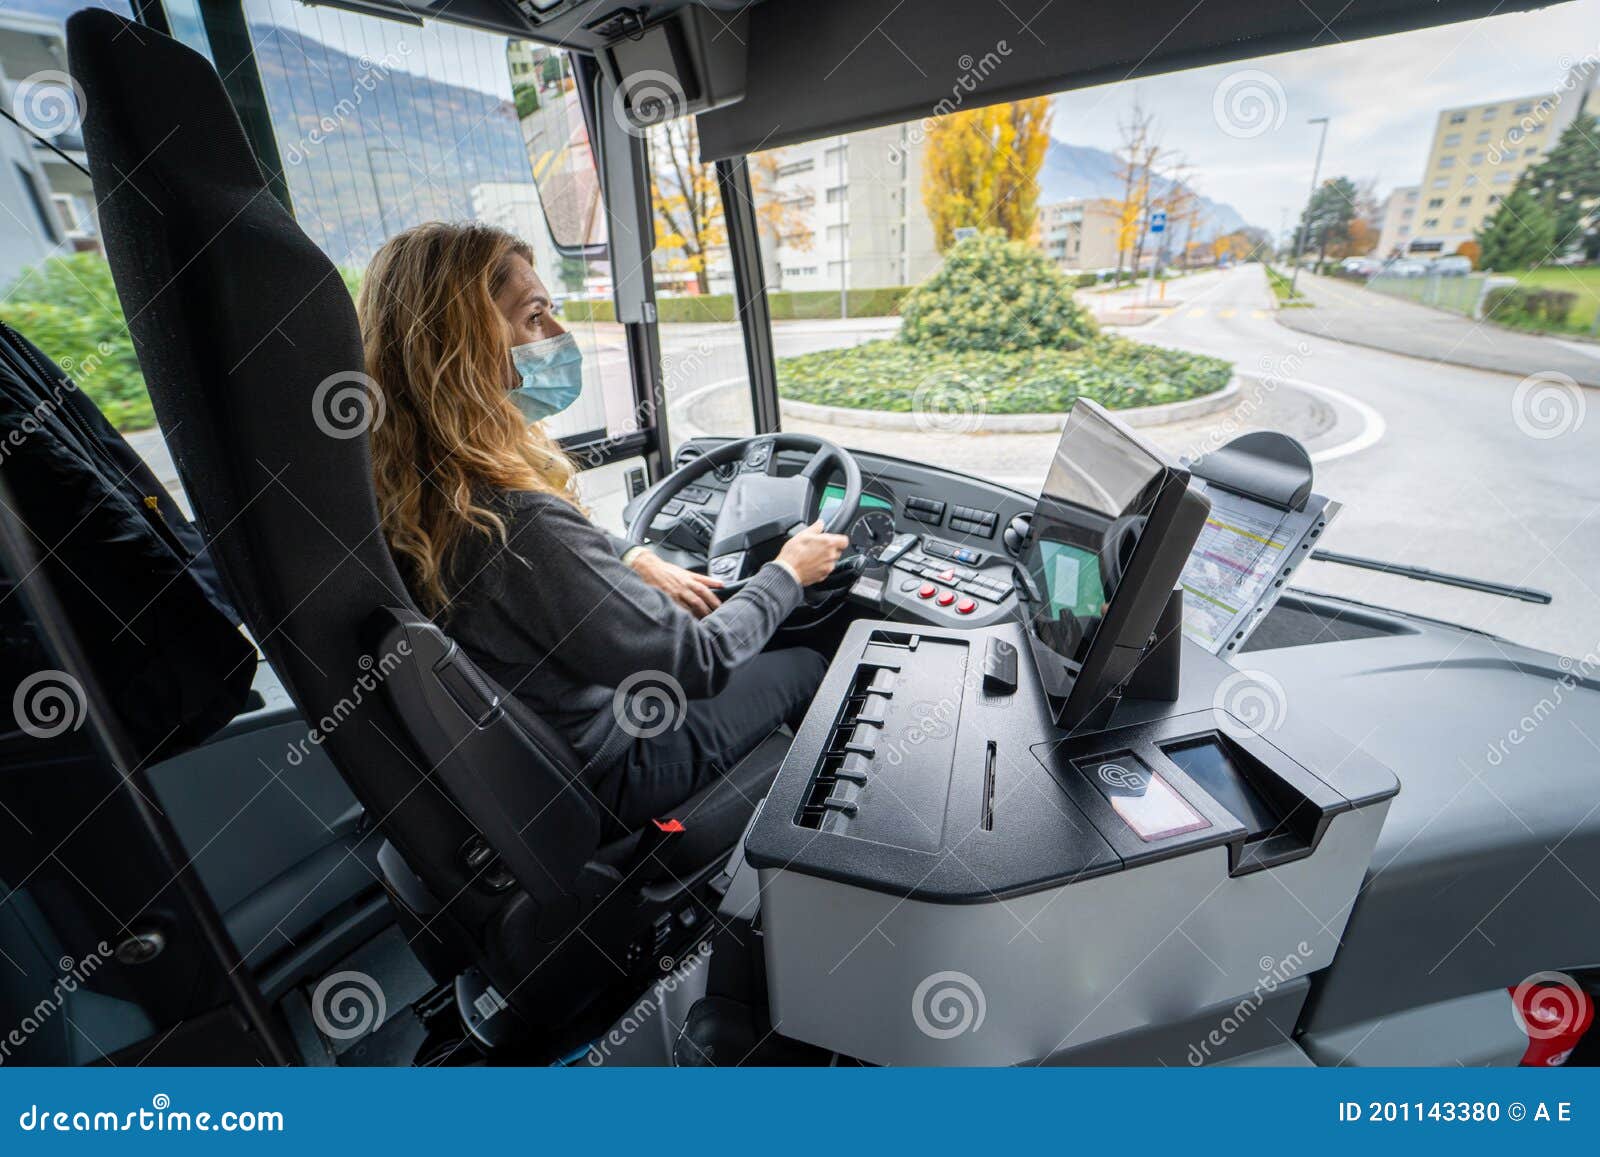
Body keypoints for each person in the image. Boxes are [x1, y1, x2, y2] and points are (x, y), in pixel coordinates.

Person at [359, 222, 846, 830]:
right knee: (810, 663)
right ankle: (799, 842)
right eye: (535, 317)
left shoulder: (411, 490)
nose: (560, 336)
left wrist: (632, 556)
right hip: (615, 759)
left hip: (535, 759)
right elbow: (701, 659)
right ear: (461, 348)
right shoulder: (517, 521)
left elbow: (552, 563)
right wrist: (788, 572)